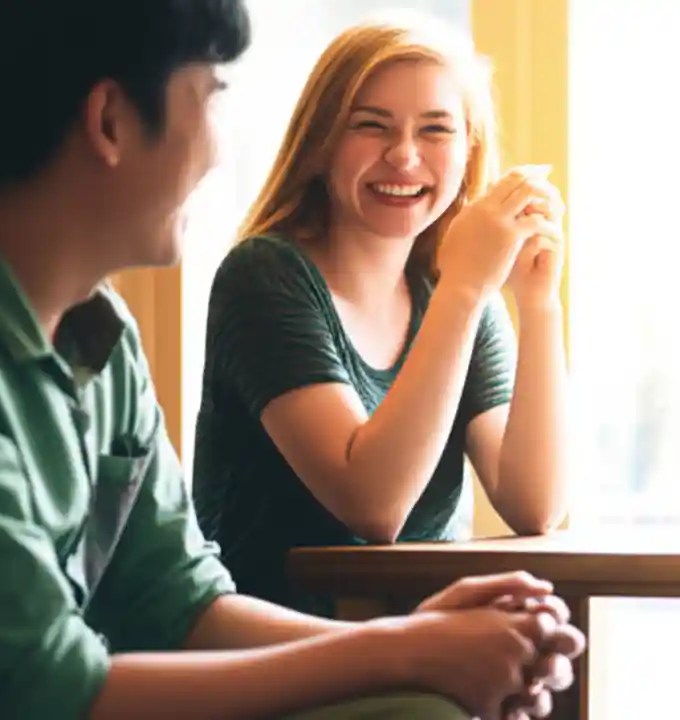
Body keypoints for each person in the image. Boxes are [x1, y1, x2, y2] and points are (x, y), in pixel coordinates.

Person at [0, 2, 583, 719]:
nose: (218, 152)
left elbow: (180, 601)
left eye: (435, 129)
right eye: (211, 95)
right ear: (112, 121)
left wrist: (419, 644)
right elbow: (41, 691)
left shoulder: (99, 330)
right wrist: (405, 651)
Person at [191, 13, 570, 615]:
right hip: (280, 663)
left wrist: (539, 302)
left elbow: (535, 504)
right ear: (319, 145)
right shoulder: (264, 276)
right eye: (371, 127)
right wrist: (468, 288)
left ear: (468, 152)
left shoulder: (453, 295)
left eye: (436, 131)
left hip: (417, 646)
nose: (404, 155)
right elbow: (373, 505)